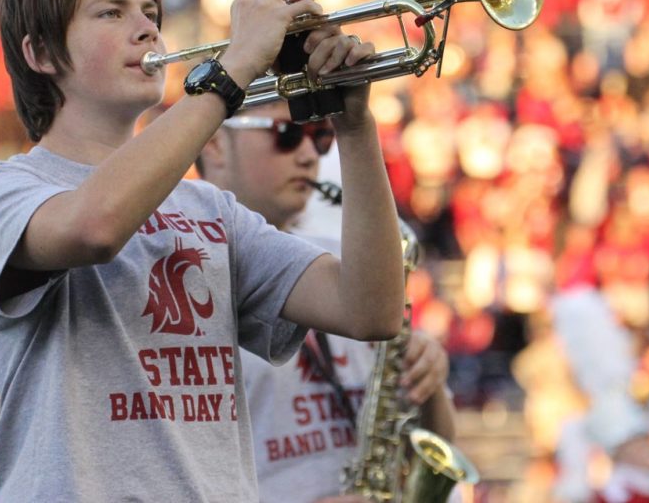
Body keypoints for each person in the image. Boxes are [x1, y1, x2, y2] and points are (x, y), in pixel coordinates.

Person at [0, 0, 404, 502]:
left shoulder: (209, 210)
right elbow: (95, 228)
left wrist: (354, 127)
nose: (147, 30)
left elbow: (371, 308)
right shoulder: (2, 189)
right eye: (111, 12)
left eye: (150, 13)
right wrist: (234, 67)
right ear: (42, 53)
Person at [196, 100, 458, 503]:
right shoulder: (190, 286)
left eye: (320, 138)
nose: (307, 155)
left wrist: (430, 380)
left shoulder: (350, 264)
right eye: (285, 134)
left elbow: (436, 451)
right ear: (214, 145)